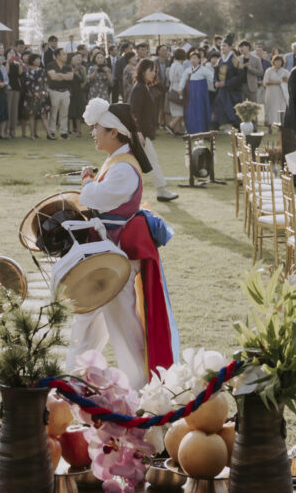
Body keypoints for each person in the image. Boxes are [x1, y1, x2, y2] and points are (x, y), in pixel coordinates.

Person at [67, 100, 178, 389]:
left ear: (113, 132)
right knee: (89, 319)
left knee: (123, 326)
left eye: (96, 128)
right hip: (106, 254)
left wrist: (87, 180)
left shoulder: (125, 168)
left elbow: (93, 198)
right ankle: (74, 379)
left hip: (117, 258)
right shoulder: (119, 161)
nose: (93, 133)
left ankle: (143, 387)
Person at [128, 60, 178, 202]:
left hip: (143, 132)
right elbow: (133, 112)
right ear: (143, 71)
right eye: (151, 70)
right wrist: (137, 132)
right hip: (140, 133)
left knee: (137, 163)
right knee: (151, 160)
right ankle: (161, 190)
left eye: (155, 70)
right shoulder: (139, 88)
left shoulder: (144, 87)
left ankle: (160, 191)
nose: (154, 73)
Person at [44, 50, 74, 139]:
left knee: (64, 113)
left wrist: (59, 74)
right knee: (53, 112)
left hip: (65, 91)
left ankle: (63, 132)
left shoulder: (68, 66)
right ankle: (51, 132)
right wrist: (64, 76)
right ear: (57, 56)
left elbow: (70, 77)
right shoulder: (51, 65)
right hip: (54, 91)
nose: (66, 56)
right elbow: (53, 77)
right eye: (63, 54)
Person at [183, 49, 211, 136]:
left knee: (201, 109)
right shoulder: (188, 70)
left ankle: (202, 130)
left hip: (201, 91)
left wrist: (212, 86)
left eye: (195, 58)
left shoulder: (204, 69)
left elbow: (211, 77)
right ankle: (192, 130)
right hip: (191, 92)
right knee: (191, 110)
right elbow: (183, 80)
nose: (193, 60)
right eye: (191, 58)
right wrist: (180, 88)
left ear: (199, 59)